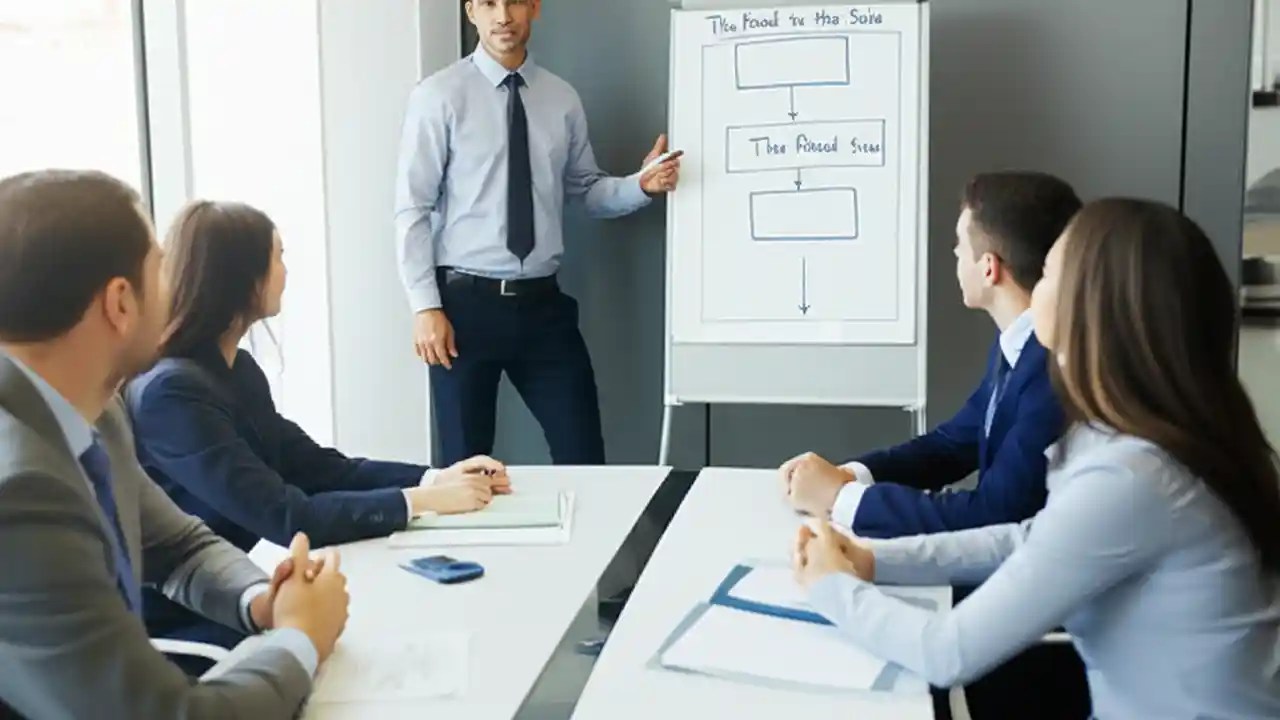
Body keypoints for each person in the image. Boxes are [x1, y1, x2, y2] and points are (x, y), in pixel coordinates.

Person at [793, 198, 1280, 718]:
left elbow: (947, 652)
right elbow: (1028, 539)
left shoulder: (1135, 475)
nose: (1033, 289)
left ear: (1086, 308)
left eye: (1047, 273)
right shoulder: (1127, 435)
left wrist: (832, 586)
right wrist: (874, 559)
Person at [0, 169, 350, 718]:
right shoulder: (19, 492)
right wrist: (301, 638)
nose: (178, 287)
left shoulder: (97, 411)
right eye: (161, 269)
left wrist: (266, 601)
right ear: (120, 303)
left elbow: (178, 547)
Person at [125, 200, 511, 651]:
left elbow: (320, 468)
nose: (286, 271)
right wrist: (425, 502)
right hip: (185, 621)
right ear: (242, 276)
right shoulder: (171, 395)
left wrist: (434, 478)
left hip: (239, 599)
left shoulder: (238, 371)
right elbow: (288, 516)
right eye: (278, 256)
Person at [395, 0, 681, 466]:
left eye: (514, 2)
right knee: (464, 472)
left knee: (584, 460)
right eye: (489, 4)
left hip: (542, 308)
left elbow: (585, 190)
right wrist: (425, 307)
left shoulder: (561, 99)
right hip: (464, 311)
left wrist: (640, 185)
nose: (503, 16)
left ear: (534, 8)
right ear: (471, 11)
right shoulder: (439, 96)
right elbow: (413, 207)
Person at [780, 172, 1081, 538]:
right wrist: (848, 476)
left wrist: (840, 498)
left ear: (989, 268)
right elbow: (952, 445)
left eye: (960, 245)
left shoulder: (1051, 368)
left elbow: (995, 513)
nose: (955, 254)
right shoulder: (1019, 343)